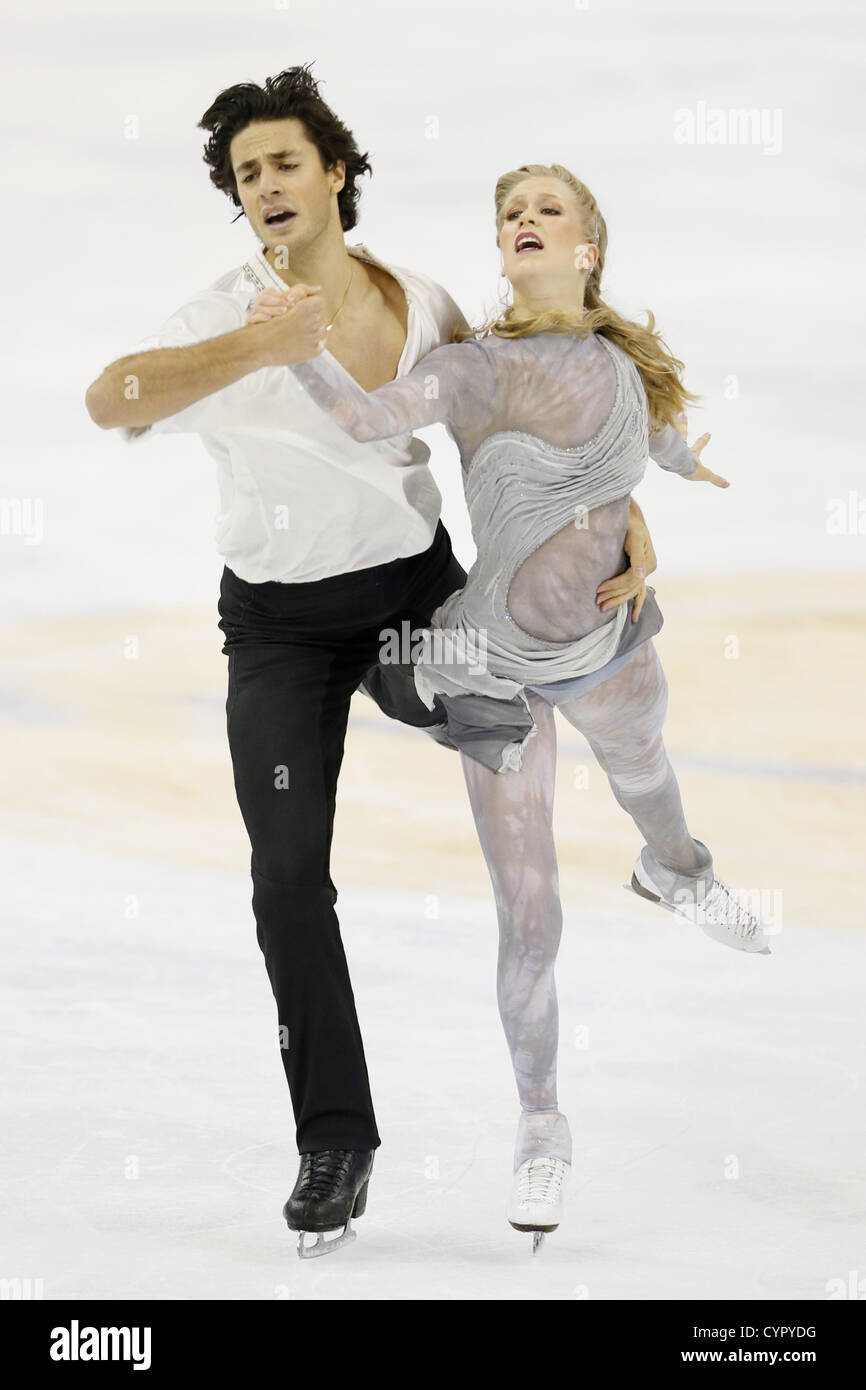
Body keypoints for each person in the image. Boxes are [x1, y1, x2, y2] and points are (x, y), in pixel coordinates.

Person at [83, 68, 656, 1259]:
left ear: (335, 172)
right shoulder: (224, 313)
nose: (267, 186)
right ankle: (334, 1137)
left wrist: (614, 511)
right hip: (282, 628)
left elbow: (516, 414)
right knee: (287, 873)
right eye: (247, 176)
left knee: (479, 675)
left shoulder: (423, 298)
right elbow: (110, 397)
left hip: (408, 596)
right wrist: (244, 351)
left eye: (286, 162)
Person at [245, 160, 772, 1251]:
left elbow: (653, 438)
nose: (525, 222)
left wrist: (672, 477)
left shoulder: (627, 364)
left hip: (607, 640)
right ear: (500, 252)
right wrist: (300, 356)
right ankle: (541, 1122)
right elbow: (364, 417)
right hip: (495, 669)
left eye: (547, 210)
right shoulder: (470, 369)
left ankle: (675, 872)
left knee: (650, 785)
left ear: (587, 248)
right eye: (509, 215)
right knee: (527, 917)